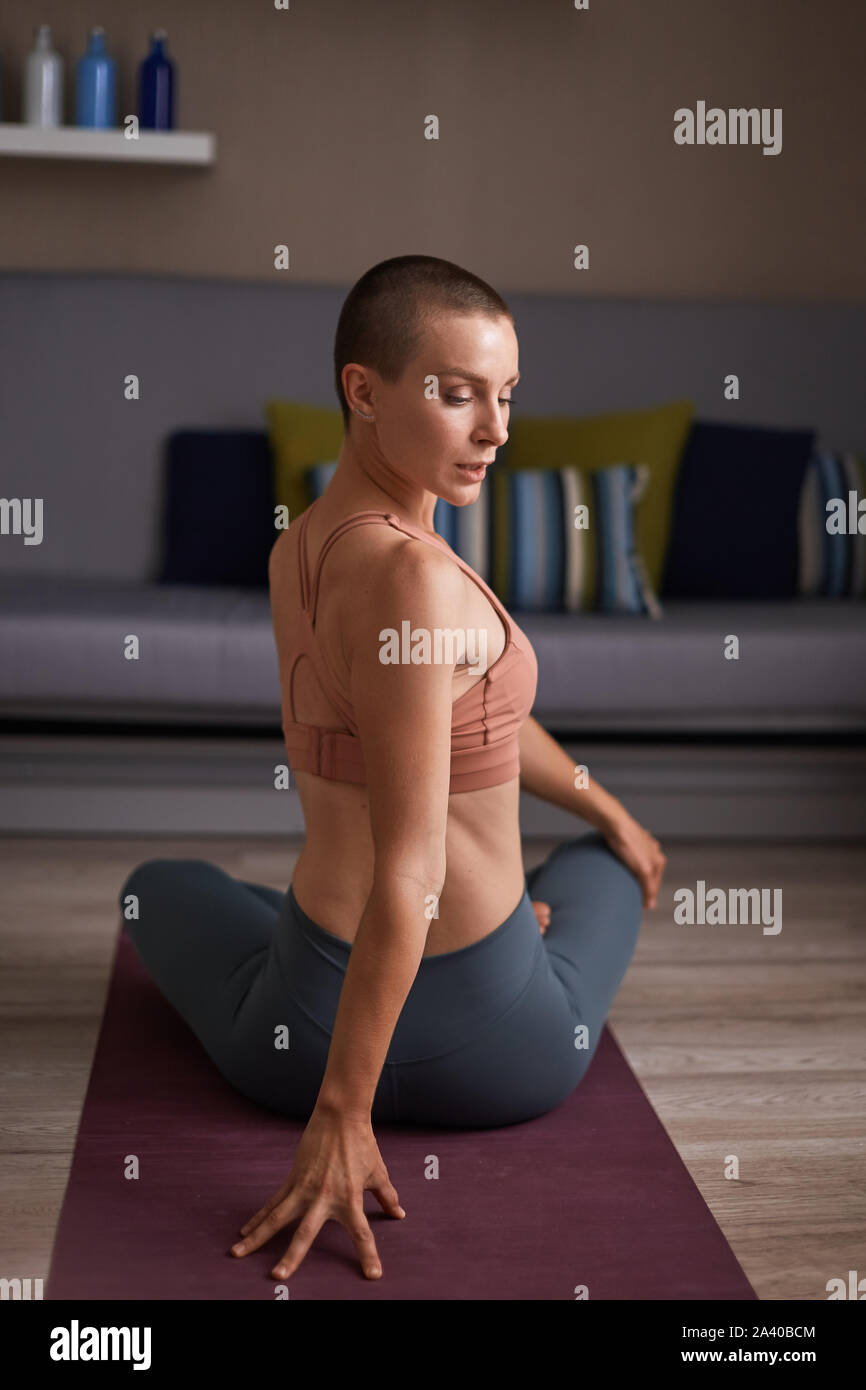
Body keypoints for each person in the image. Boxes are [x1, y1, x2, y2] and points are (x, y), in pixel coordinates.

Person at [119, 254, 666, 1286]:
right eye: (456, 395)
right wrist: (342, 1112)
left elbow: (474, 733)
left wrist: (605, 797)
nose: (495, 432)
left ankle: (463, 940)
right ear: (361, 390)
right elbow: (412, 868)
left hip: (291, 1029)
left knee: (155, 887)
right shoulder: (418, 579)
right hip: (499, 1049)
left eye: (504, 398)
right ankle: (516, 934)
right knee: (595, 866)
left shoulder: (301, 549)